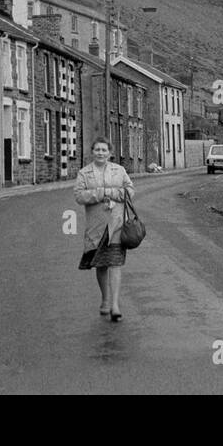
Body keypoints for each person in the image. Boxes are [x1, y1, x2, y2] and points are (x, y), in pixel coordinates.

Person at [74, 138, 135, 322]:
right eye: (97, 150)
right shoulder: (84, 173)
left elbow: (130, 190)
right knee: (101, 264)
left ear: (110, 153)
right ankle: (105, 298)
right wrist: (100, 193)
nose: (101, 153)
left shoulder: (119, 170)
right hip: (96, 226)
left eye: (104, 150)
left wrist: (113, 193)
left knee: (115, 262)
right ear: (92, 152)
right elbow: (78, 195)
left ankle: (115, 305)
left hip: (116, 223)